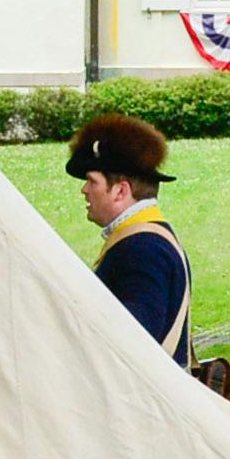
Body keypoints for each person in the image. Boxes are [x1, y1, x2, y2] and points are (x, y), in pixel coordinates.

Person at [67, 113, 193, 366]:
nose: (84, 190)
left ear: (120, 190)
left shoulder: (142, 248)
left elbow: (134, 338)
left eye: (92, 181)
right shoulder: (144, 240)